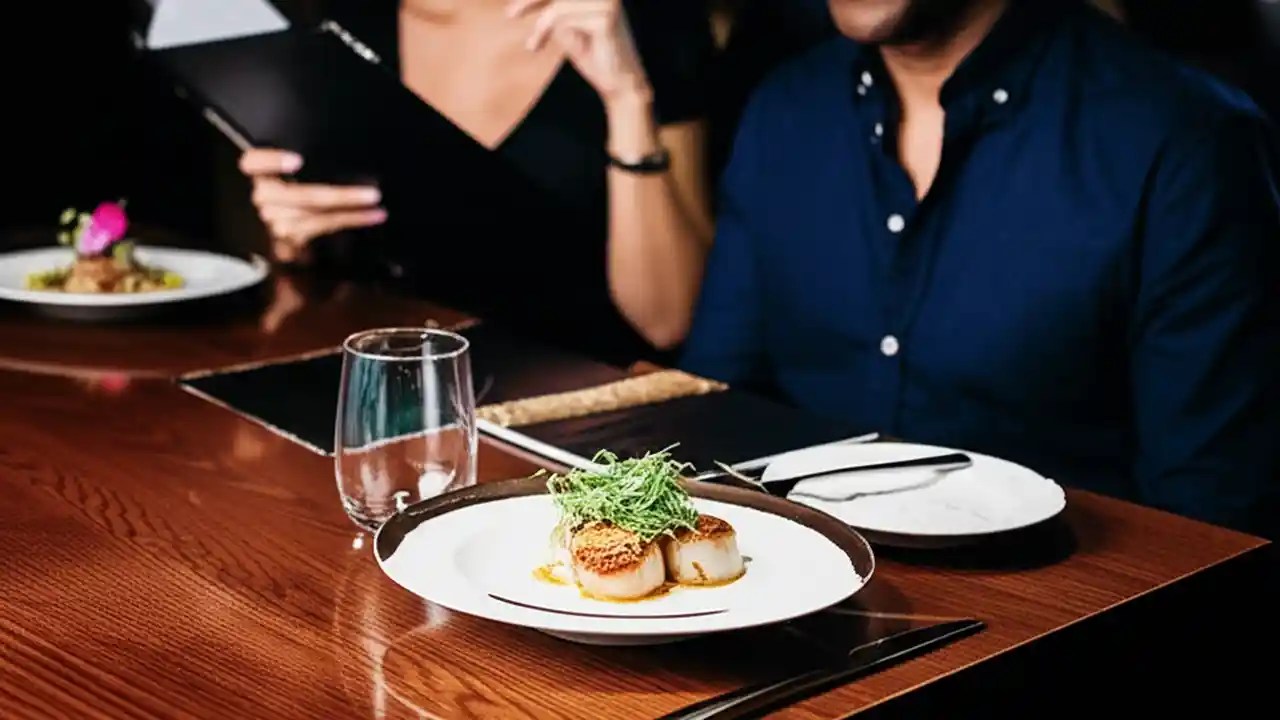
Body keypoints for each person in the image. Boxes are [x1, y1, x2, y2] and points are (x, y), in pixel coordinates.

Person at [681, 0, 1280, 535]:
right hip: (790, 587)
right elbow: (714, 410)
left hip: (1068, 606)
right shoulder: (786, 109)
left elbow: (1210, 521)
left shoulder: (1185, 141)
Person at [238, 0, 714, 363]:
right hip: (392, 394)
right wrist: (293, 233)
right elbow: (317, 282)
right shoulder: (348, 19)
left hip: (584, 410)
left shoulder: (643, 20)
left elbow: (668, 321)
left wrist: (627, 98)